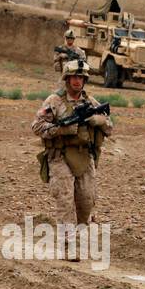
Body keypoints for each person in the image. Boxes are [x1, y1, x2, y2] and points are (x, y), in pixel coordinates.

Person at [31, 58, 112, 258]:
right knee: (65, 202)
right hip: (60, 157)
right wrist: (60, 129)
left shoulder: (90, 102)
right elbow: (37, 127)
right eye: (74, 77)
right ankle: (68, 247)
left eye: (81, 77)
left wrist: (97, 120)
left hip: (84, 157)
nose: (77, 81)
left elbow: (109, 127)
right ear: (67, 79)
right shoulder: (54, 101)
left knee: (86, 202)